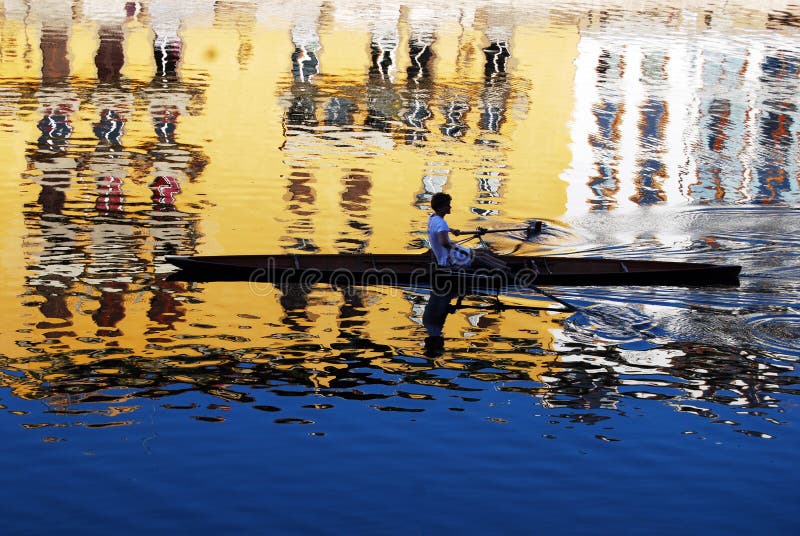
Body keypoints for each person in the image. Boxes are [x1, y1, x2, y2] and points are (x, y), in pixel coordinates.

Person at [427, 192, 508, 270]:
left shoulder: (433, 217)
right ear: (440, 208)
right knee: (481, 258)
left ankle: (505, 266)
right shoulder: (441, 223)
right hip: (450, 260)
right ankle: (504, 270)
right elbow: (444, 243)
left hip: (449, 255)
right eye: (447, 205)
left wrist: (452, 230)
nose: (450, 207)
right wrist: (461, 251)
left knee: (483, 253)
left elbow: (439, 228)